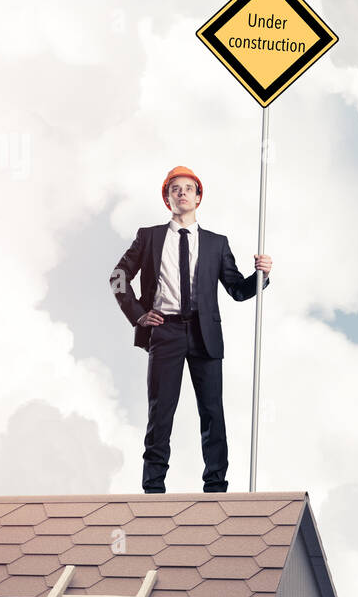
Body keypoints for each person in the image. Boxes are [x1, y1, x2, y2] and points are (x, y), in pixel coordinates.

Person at [109, 165, 272, 493]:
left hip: (204, 334)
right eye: (175, 189)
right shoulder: (149, 236)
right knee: (161, 411)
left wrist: (261, 276)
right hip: (165, 332)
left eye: (188, 188)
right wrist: (139, 315)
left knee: (213, 412)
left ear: (199, 197)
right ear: (167, 198)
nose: (181, 193)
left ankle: (216, 487)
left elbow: (237, 290)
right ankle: (153, 488)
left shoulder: (216, 243)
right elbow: (118, 277)